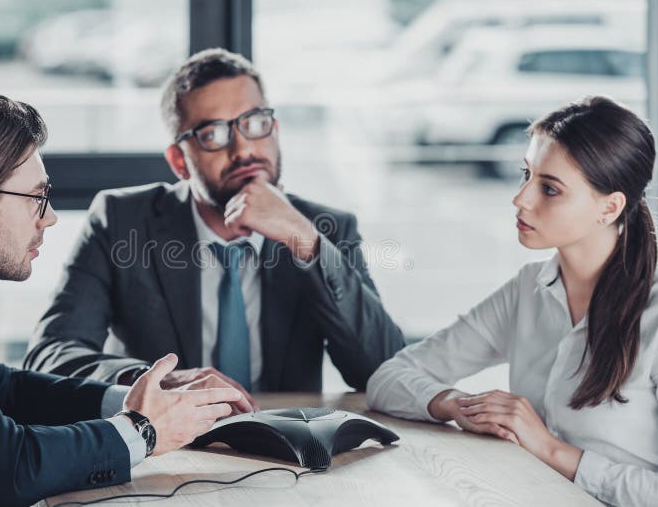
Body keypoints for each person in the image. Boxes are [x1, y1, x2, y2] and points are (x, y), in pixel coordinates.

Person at [0, 94, 243, 507]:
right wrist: (143, 430)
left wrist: (137, 396)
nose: (49, 218)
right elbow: (10, 465)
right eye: (36, 199)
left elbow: (4, 389)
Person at [23, 48, 405, 394]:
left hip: (288, 454)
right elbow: (51, 355)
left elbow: (386, 370)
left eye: (255, 123)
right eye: (213, 134)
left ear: (274, 130)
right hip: (166, 447)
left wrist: (307, 243)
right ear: (178, 161)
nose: (244, 150)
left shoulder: (326, 230)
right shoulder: (121, 221)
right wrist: (155, 381)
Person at [367, 96, 658, 507]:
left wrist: (551, 450)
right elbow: (390, 378)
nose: (521, 199)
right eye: (527, 174)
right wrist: (459, 405)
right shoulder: (529, 289)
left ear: (609, 207)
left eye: (550, 188)